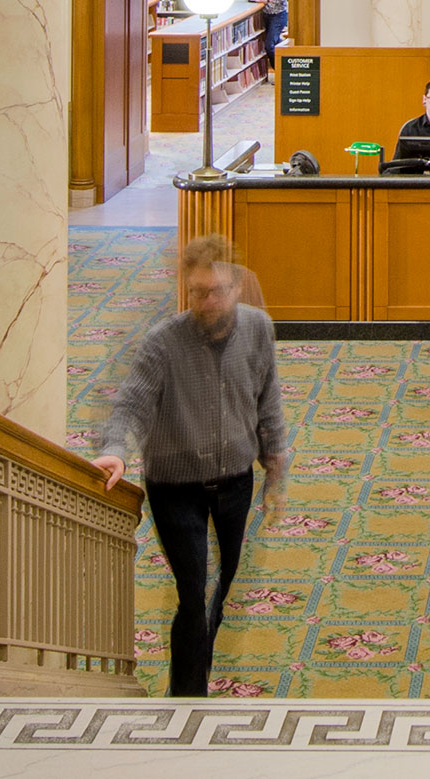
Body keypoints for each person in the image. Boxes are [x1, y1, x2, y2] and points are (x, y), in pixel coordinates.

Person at [92, 234, 286, 696]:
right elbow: (130, 406)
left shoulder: (258, 329)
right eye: (198, 292)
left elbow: (268, 401)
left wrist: (276, 466)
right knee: (193, 591)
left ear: (236, 287)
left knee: (224, 586)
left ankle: (198, 663)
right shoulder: (164, 343)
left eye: (217, 290)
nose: (208, 301)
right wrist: (115, 448)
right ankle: (188, 696)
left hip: (235, 480)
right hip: (174, 486)